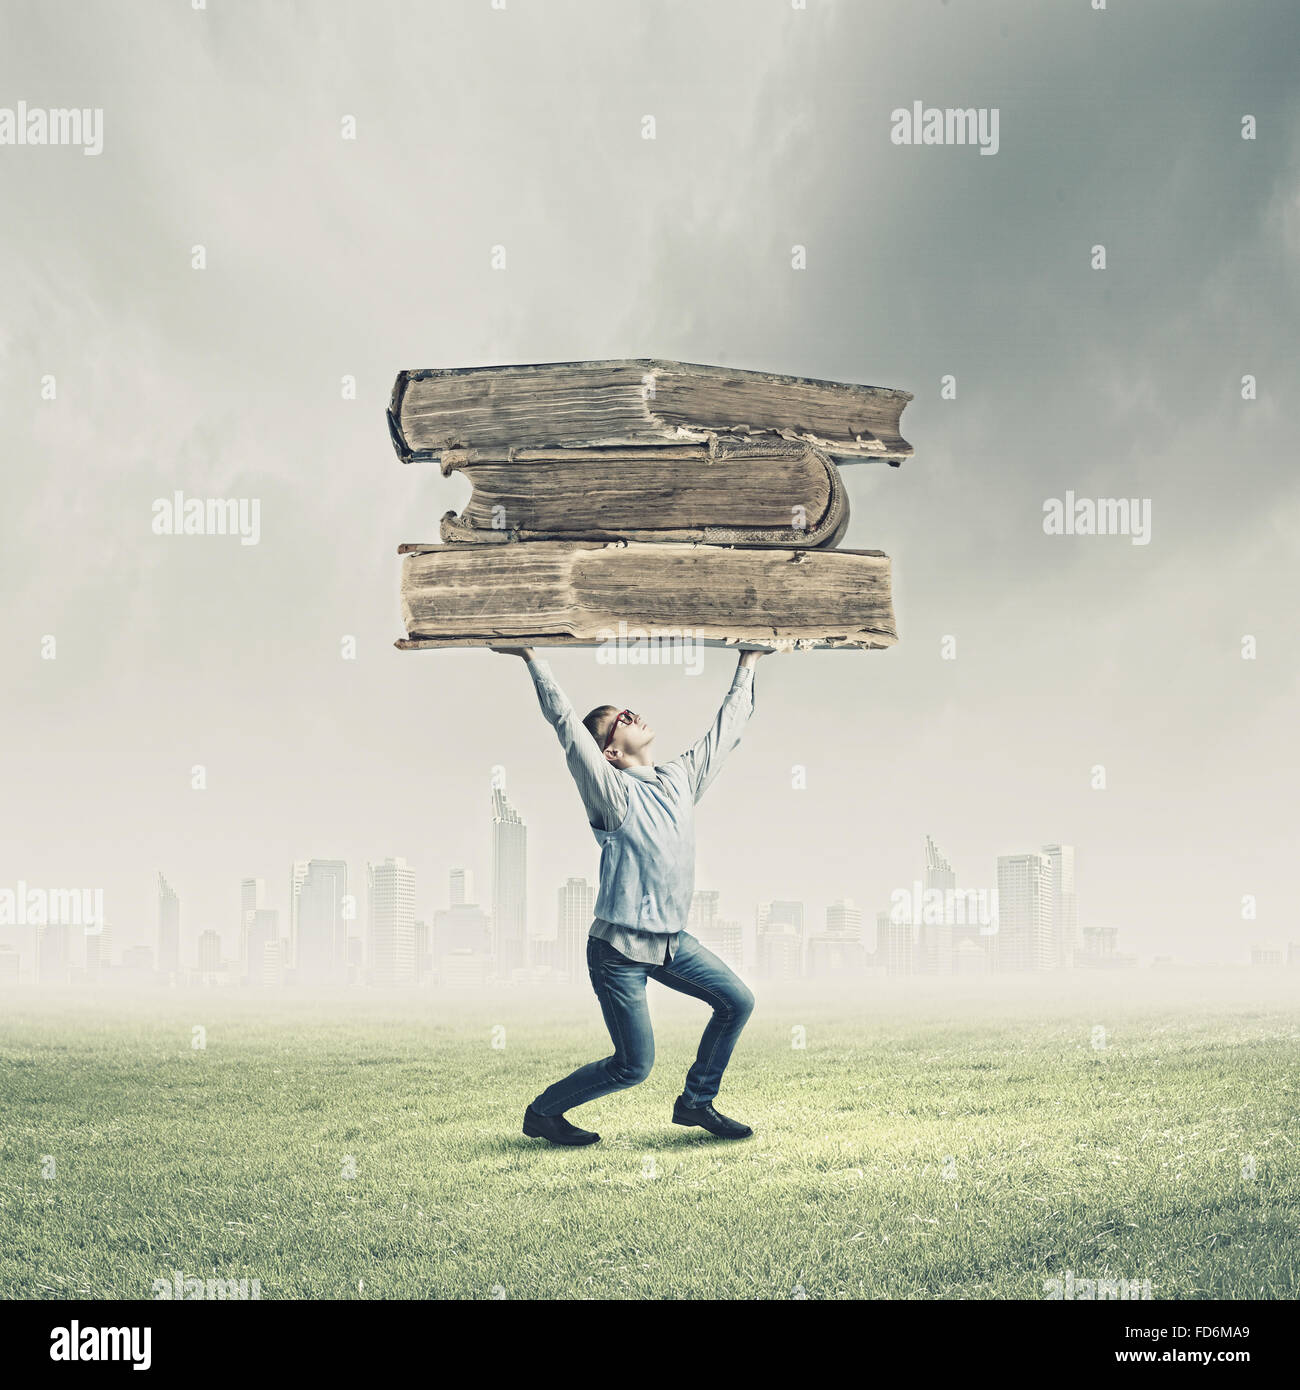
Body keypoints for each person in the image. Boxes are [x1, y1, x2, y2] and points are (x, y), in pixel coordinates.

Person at [493, 644, 768, 1146]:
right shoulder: (612, 793)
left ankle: (696, 1104)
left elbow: (726, 733)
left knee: (737, 1002)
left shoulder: (680, 780)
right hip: (618, 952)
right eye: (618, 720)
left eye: (627, 710)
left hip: (672, 944)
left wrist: (748, 661)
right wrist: (531, 657)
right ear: (612, 754)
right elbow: (568, 730)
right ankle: (543, 1114)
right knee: (633, 1066)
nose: (629, 714)